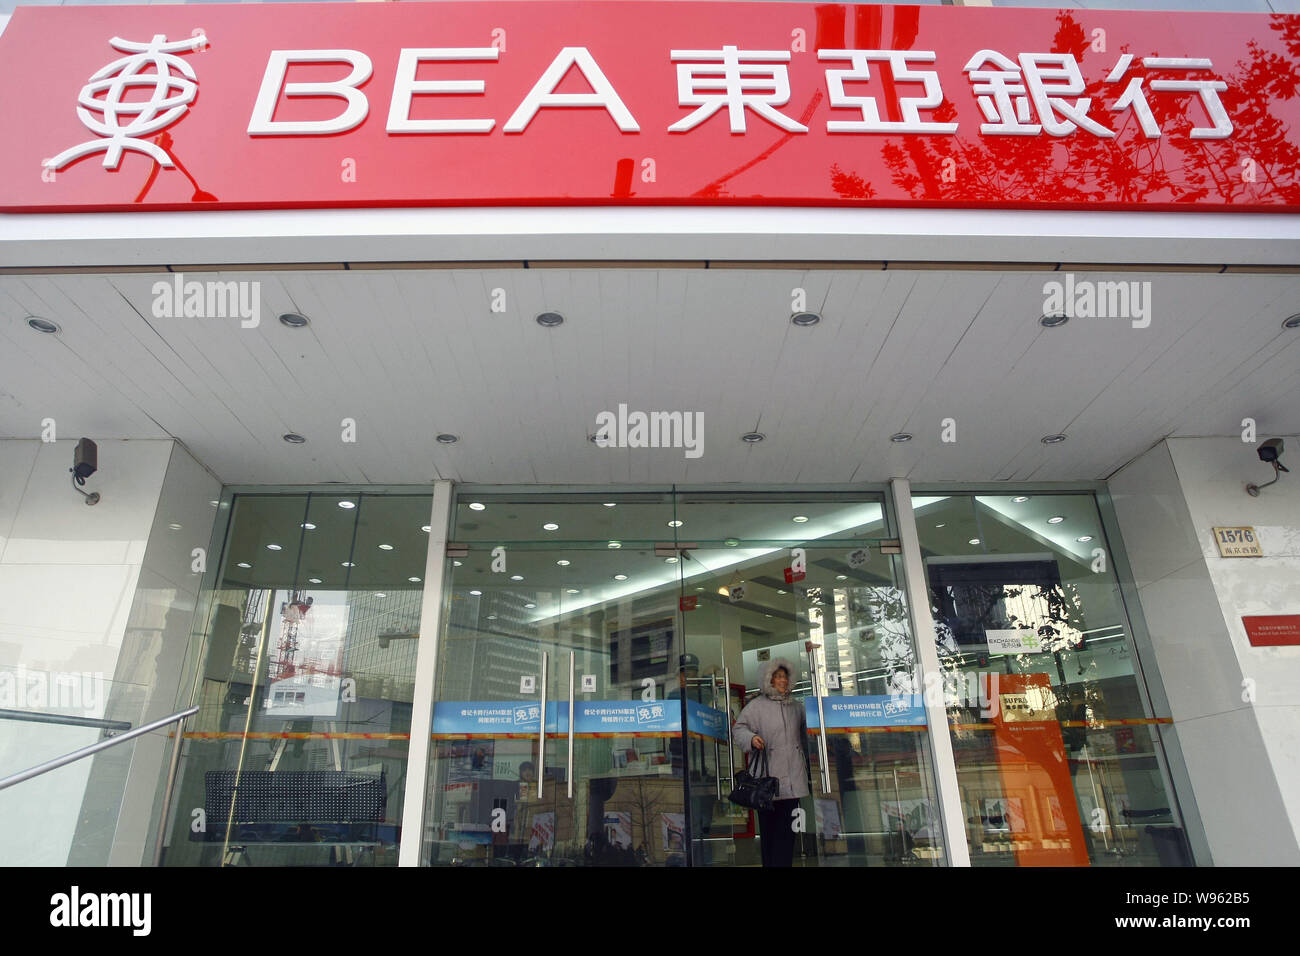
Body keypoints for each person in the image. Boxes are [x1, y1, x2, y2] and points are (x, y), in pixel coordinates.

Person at [732, 658, 810, 867]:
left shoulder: (797, 707)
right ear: (769, 680)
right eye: (778, 677)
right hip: (767, 783)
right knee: (769, 835)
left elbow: (807, 736)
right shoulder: (756, 707)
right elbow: (738, 729)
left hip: (793, 781)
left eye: (785, 676)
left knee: (787, 835)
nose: (783, 680)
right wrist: (751, 738)